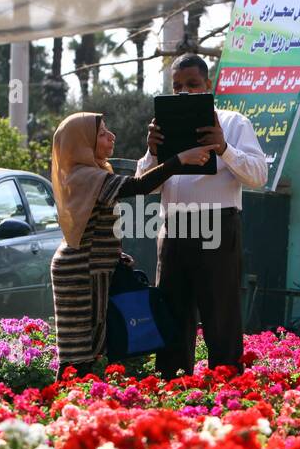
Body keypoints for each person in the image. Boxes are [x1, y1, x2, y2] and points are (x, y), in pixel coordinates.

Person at [51, 111, 218, 378]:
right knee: (79, 351)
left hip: (89, 265)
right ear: (83, 143)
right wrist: (180, 160)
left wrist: (114, 254)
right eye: (103, 133)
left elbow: (91, 226)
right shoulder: (86, 176)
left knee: (90, 345)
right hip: (83, 270)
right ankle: (60, 407)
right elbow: (140, 186)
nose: (111, 136)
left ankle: (70, 406)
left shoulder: (88, 173)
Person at [136, 53, 269, 377]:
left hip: (217, 226)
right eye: (177, 86)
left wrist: (224, 148)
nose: (184, 93)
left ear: (208, 85)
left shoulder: (234, 123)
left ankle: (228, 394)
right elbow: (145, 186)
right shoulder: (163, 130)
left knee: (220, 316)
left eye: (193, 85)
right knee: (171, 315)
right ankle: (171, 389)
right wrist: (153, 152)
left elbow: (258, 176)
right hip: (173, 227)